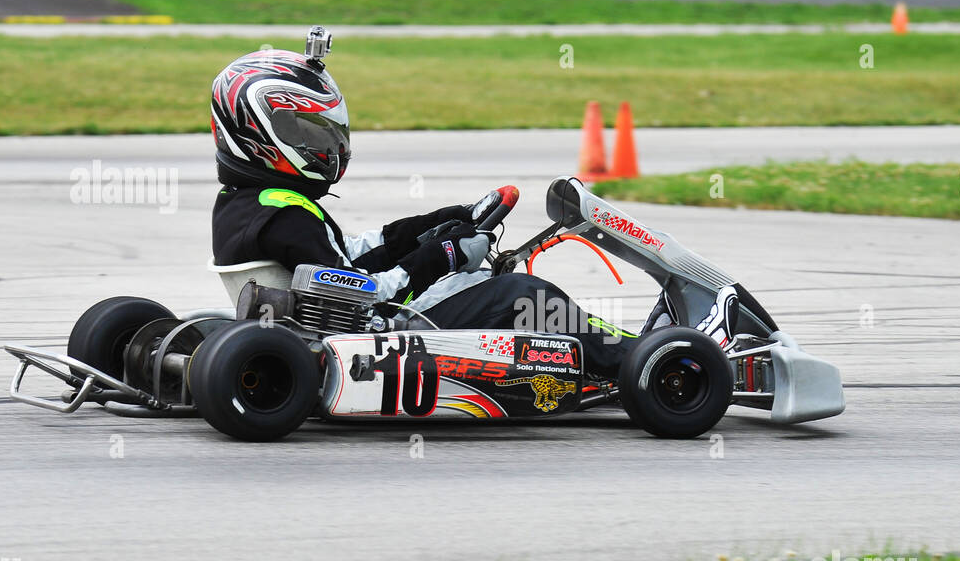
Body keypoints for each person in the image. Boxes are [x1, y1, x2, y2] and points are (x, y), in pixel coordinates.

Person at [209, 35, 736, 378]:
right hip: (369, 334)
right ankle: (652, 362)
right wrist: (443, 256)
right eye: (306, 132)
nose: (325, 146)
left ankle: (633, 353)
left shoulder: (250, 205)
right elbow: (359, 295)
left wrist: (436, 222)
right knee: (522, 292)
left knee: (478, 273)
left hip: (319, 325)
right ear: (259, 132)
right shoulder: (287, 213)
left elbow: (349, 255)